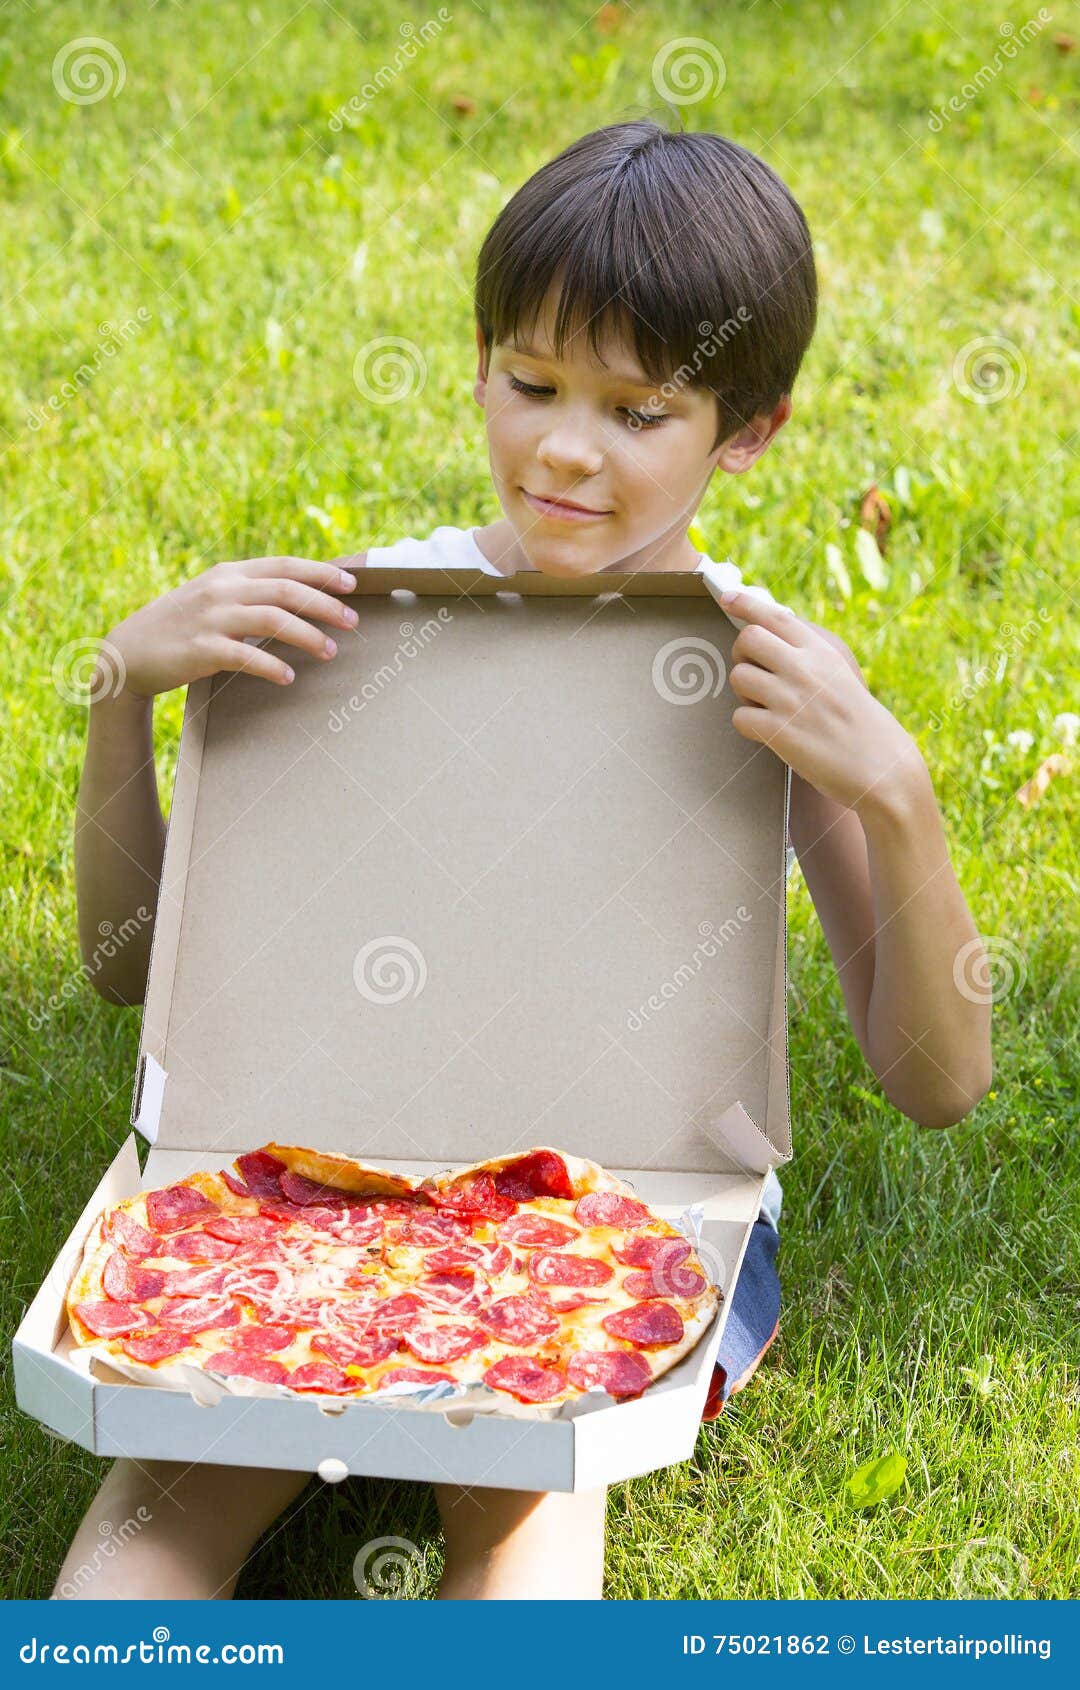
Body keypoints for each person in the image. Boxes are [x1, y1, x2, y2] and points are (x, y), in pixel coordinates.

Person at [54, 120, 991, 1601]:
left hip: (616, 1225)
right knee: (154, 1513)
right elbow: (125, 977)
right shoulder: (343, 631)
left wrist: (899, 793)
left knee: (517, 1506)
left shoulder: (764, 677)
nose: (563, 444)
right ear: (480, 360)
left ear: (748, 430)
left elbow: (936, 1081)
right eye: (532, 383)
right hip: (297, 1193)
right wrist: (123, 696)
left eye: (638, 410)